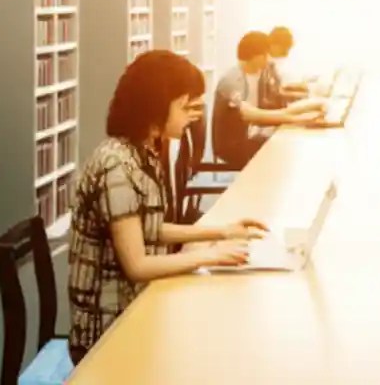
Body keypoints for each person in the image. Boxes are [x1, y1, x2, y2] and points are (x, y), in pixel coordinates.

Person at [68, 50, 267, 364]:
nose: (192, 115)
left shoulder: (142, 152)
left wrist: (222, 230)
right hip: (107, 329)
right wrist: (210, 255)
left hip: (131, 306)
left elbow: (150, 228)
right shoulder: (116, 166)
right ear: (156, 108)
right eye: (184, 106)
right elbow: (137, 265)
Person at [213, 31, 324, 167]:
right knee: (281, 152)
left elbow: (270, 109)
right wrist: (294, 119)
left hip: (249, 137)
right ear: (256, 56)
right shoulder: (231, 80)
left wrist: (313, 105)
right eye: (266, 55)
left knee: (285, 145)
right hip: (232, 145)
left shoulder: (256, 75)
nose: (269, 60)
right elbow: (248, 114)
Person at [268, 25, 309, 99]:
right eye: (284, 49)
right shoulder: (265, 63)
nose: (286, 53)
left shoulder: (281, 60)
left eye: (288, 49)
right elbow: (276, 92)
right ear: (274, 45)